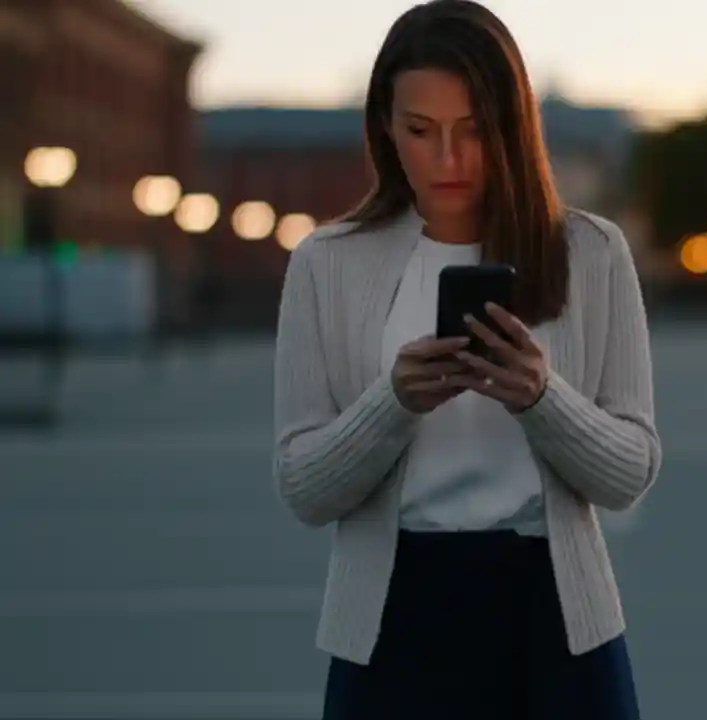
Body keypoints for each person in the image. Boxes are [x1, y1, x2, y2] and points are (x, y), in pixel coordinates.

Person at [270, 2, 661, 717]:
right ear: (385, 128)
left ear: (512, 126)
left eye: (474, 130)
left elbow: (629, 473)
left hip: (556, 619)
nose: (447, 159)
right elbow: (304, 487)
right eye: (421, 131)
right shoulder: (326, 264)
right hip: (394, 617)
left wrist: (542, 398)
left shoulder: (592, 253)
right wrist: (393, 403)